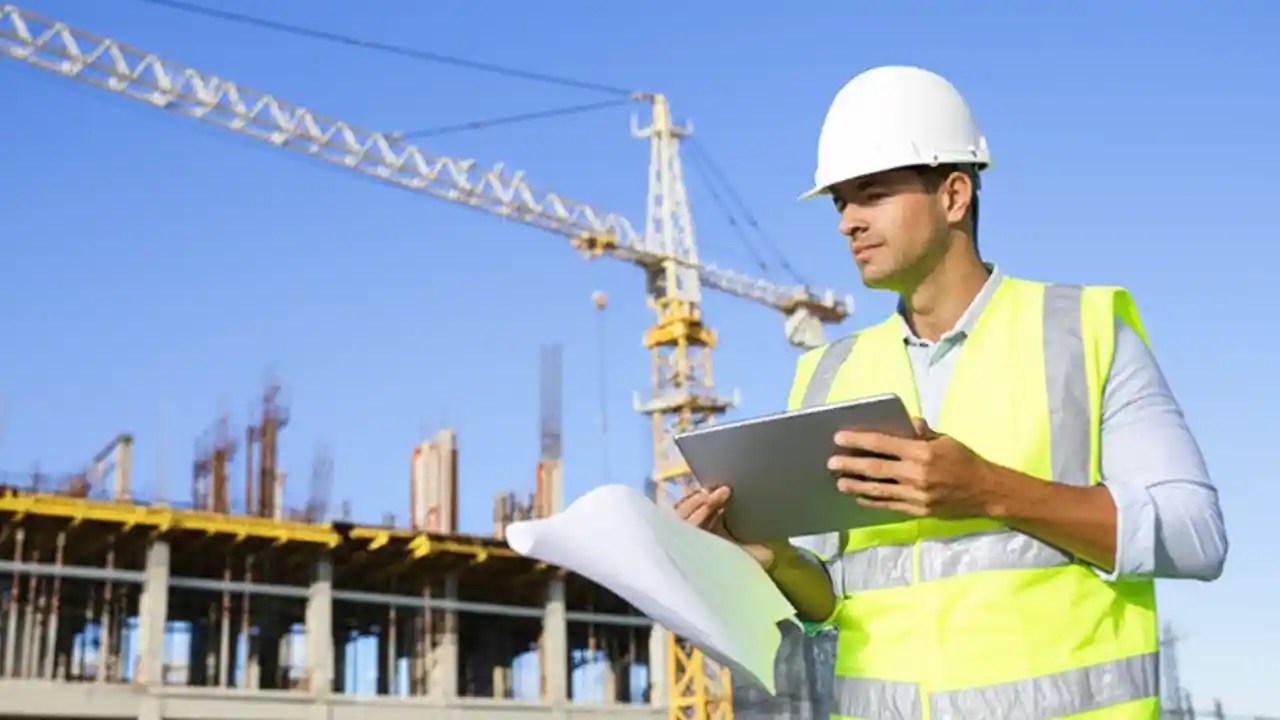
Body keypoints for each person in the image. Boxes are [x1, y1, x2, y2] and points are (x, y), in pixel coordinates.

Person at [674, 65, 1227, 719]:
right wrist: (773, 560)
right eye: (839, 202)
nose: (848, 222)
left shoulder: (1082, 333)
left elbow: (1196, 535)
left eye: (871, 195)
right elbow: (829, 603)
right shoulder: (828, 374)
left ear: (955, 195)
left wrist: (987, 489)